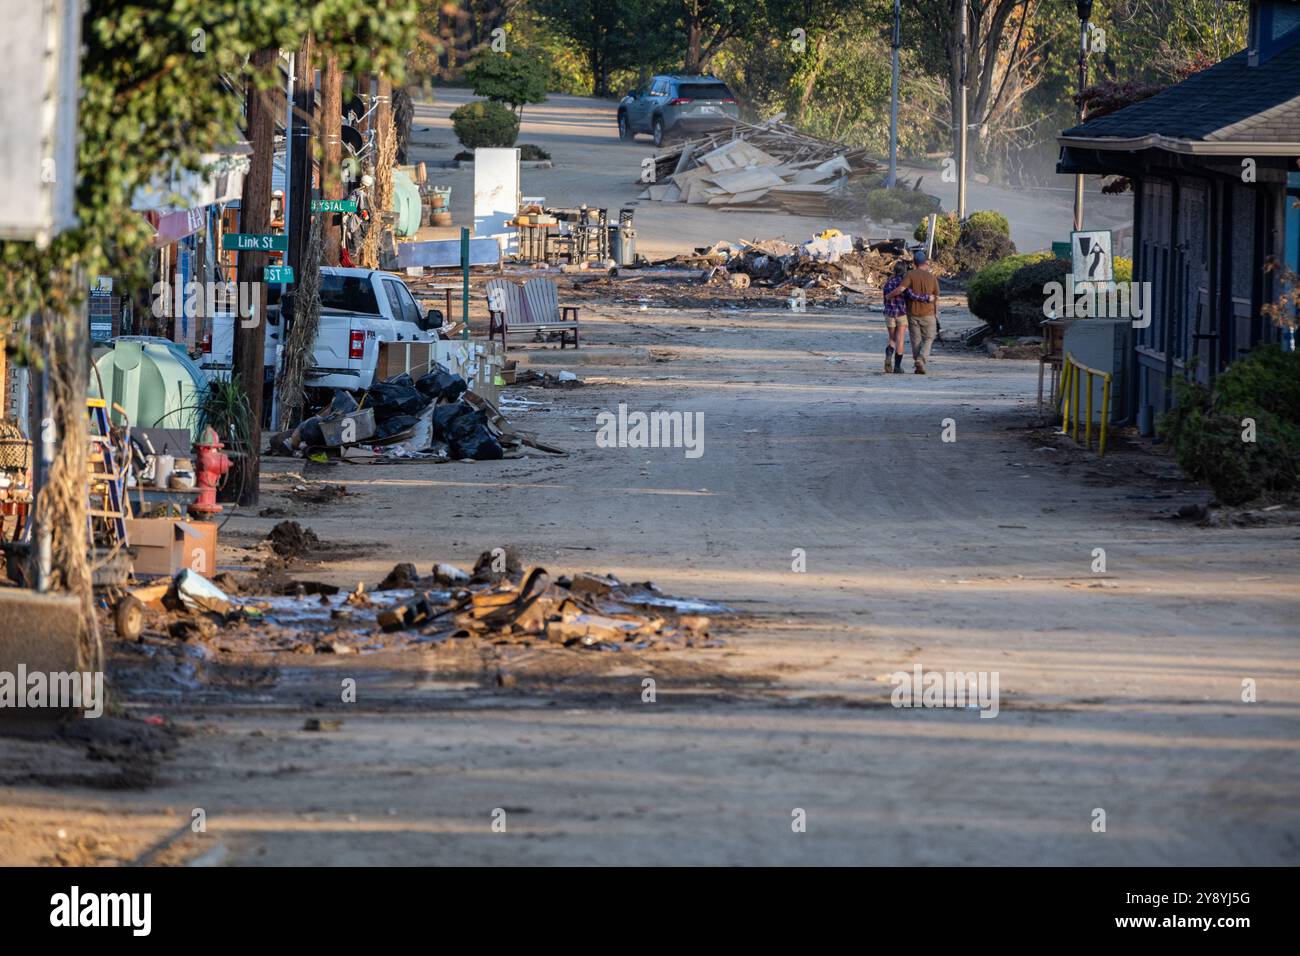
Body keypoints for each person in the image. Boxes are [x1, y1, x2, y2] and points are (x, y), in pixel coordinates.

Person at [886, 250, 941, 374]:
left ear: (914, 263)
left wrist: (889, 296)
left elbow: (901, 289)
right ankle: (921, 360)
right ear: (925, 263)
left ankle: (917, 363)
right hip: (928, 313)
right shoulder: (932, 278)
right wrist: (936, 313)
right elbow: (936, 297)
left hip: (912, 314)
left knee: (915, 340)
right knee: (929, 338)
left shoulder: (910, 275)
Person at [880, 261, 909, 373]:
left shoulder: (888, 283)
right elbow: (908, 296)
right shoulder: (904, 283)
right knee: (900, 338)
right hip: (901, 313)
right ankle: (897, 367)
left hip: (889, 313)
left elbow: (885, 300)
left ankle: (888, 358)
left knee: (892, 338)